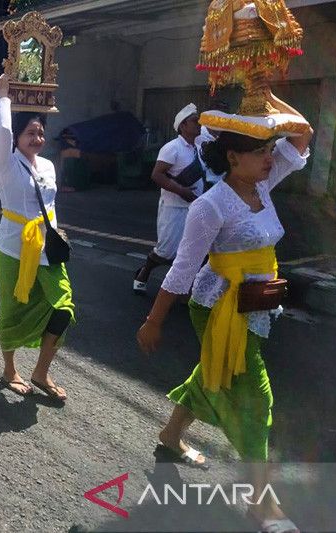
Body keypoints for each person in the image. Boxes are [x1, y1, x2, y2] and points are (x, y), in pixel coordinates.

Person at [137, 99, 313, 533]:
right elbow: (182, 268)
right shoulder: (210, 205)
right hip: (217, 307)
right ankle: (260, 501)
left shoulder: (264, 187)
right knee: (257, 399)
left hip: (256, 303)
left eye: (271, 150)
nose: (271, 158)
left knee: (213, 371)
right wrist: (154, 320)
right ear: (233, 157)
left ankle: (170, 435)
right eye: (261, 152)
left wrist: (266, 96)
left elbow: (304, 134)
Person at [0, 74, 76, 401]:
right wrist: (4, 95)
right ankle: (9, 368)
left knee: (63, 306)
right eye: (30, 132)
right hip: (13, 248)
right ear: (17, 137)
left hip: (48, 250)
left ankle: (41, 371)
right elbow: (2, 131)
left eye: (41, 132)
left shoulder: (48, 166)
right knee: (12, 310)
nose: (37, 138)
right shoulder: (5, 163)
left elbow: (51, 204)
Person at [133, 103, 204, 293]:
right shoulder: (172, 148)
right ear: (182, 125)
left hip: (193, 207)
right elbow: (157, 175)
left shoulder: (198, 148)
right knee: (166, 250)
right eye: (194, 121)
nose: (199, 124)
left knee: (189, 251)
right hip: (174, 208)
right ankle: (144, 272)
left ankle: (181, 290)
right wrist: (182, 191)